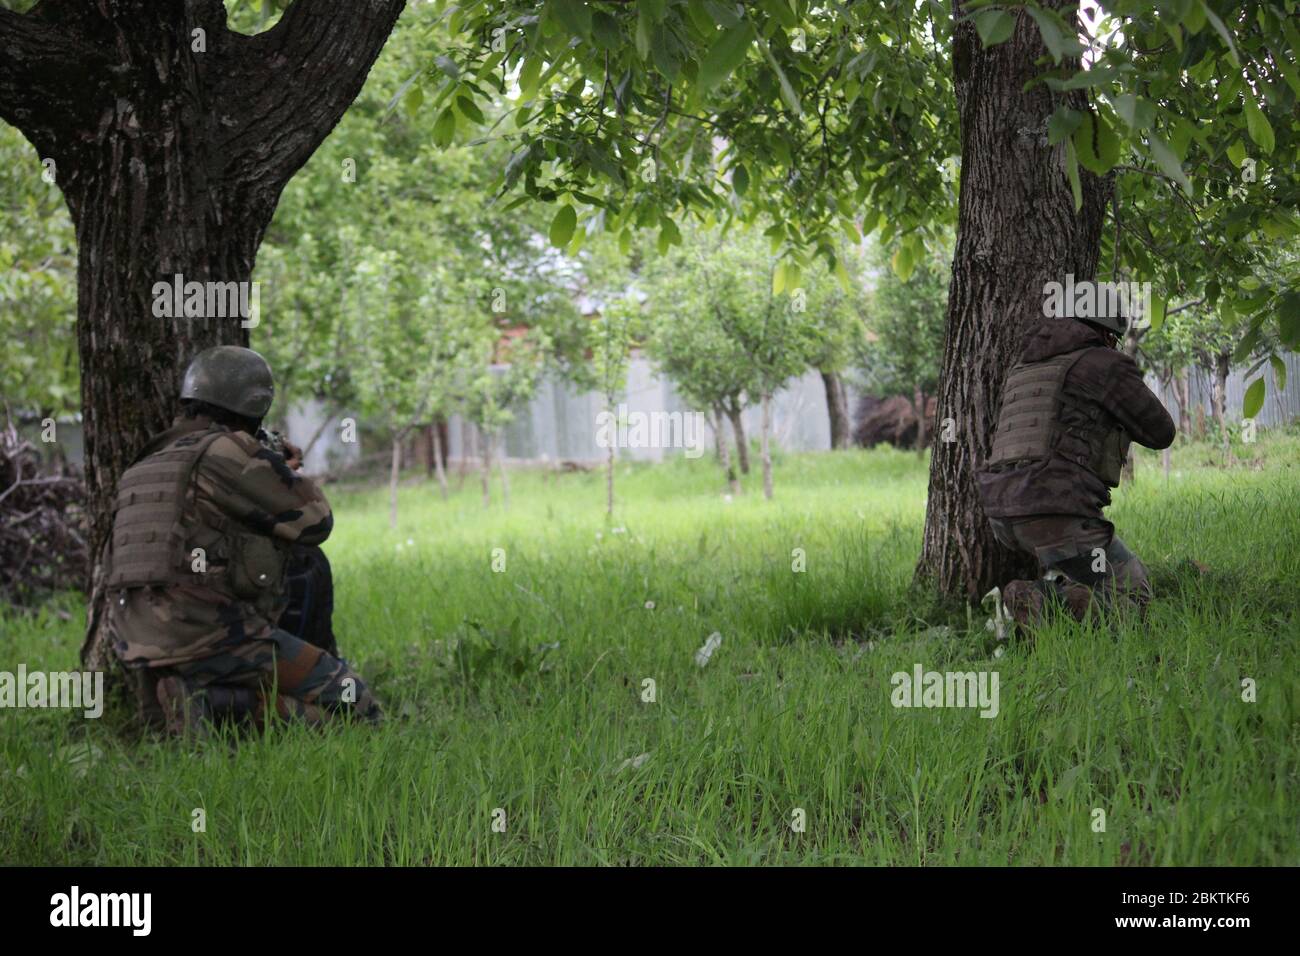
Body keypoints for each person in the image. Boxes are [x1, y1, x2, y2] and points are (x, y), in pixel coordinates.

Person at [103, 345, 380, 734]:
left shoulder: (146, 463)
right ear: (254, 407)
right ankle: (219, 708)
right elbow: (316, 523)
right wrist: (279, 468)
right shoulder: (226, 451)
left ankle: (191, 703)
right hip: (207, 635)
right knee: (356, 704)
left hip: (132, 639)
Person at [977, 302, 1176, 627]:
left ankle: (1050, 605)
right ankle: (1042, 600)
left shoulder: (1024, 368)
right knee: (1134, 594)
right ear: (1101, 332)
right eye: (1112, 337)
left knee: (1087, 573)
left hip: (1003, 516)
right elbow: (1161, 432)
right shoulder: (1103, 363)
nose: (1112, 344)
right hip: (1055, 514)